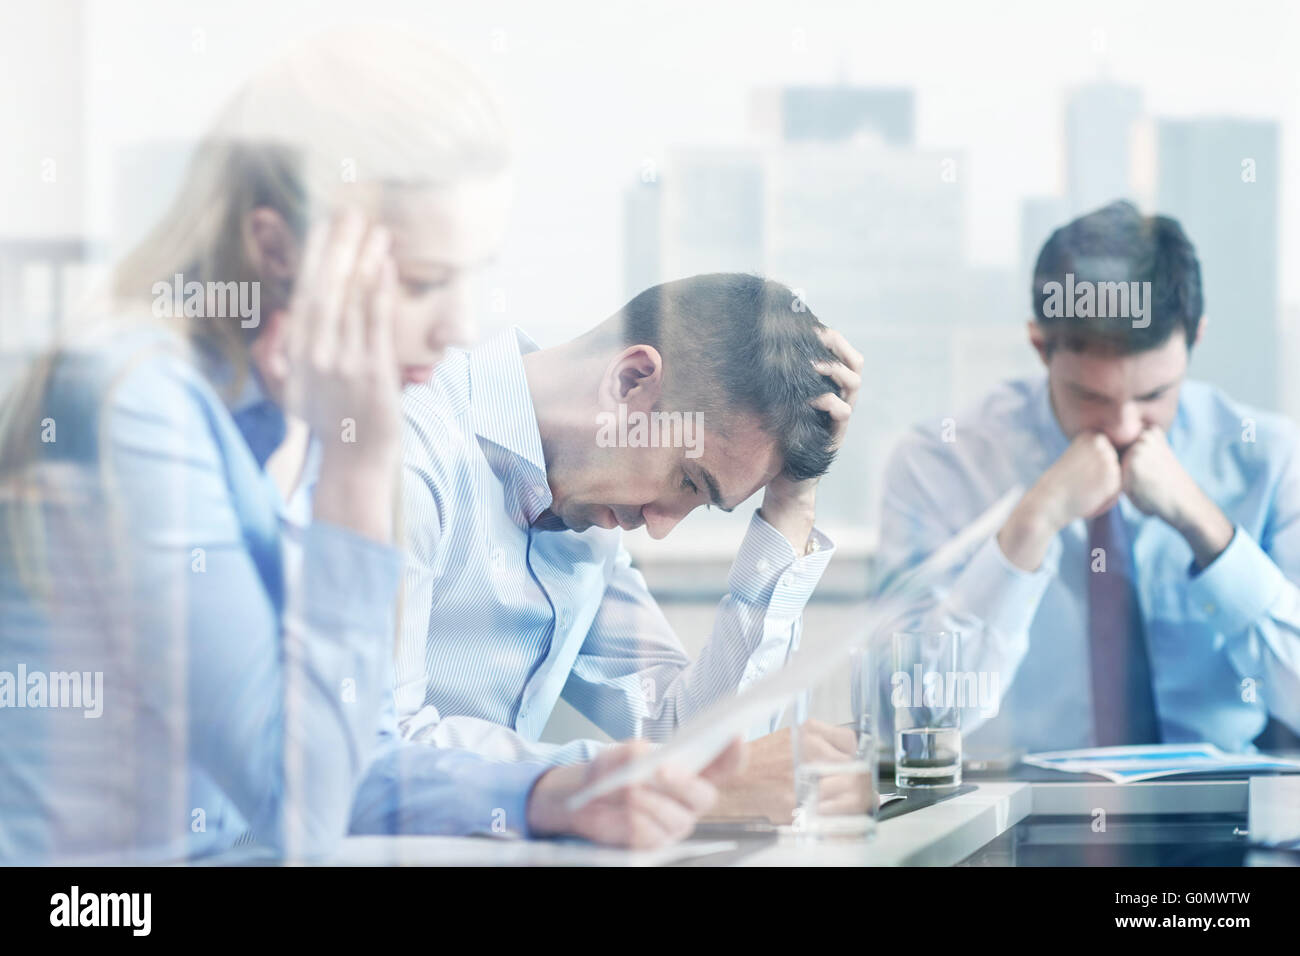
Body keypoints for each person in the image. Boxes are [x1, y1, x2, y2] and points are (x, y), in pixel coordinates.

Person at [0, 26, 740, 864]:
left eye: (472, 275)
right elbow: (301, 809)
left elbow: (344, 757)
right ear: (277, 249)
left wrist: (540, 794)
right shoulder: (135, 407)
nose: (462, 325)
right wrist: (359, 470)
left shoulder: (293, 411)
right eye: (424, 282)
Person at [396, 272, 863, 818]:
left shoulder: (589, 524)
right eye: (688, 481)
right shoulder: (408, 447)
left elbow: (697, 742)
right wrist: (629, 782)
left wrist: (792, 501)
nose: (661, 526)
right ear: (632, 381)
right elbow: (378, 753)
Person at [874, 200, 1300, 755]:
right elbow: (914, 720)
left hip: (1226, 821)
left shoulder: (1269, 458)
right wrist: (1031, 526)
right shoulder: (941, 462)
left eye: (1153, 396)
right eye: (1090, 396)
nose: (1124, 427)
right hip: (1012, 819)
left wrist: (1208, 530)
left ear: (1195, 339)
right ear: (1039, 346)